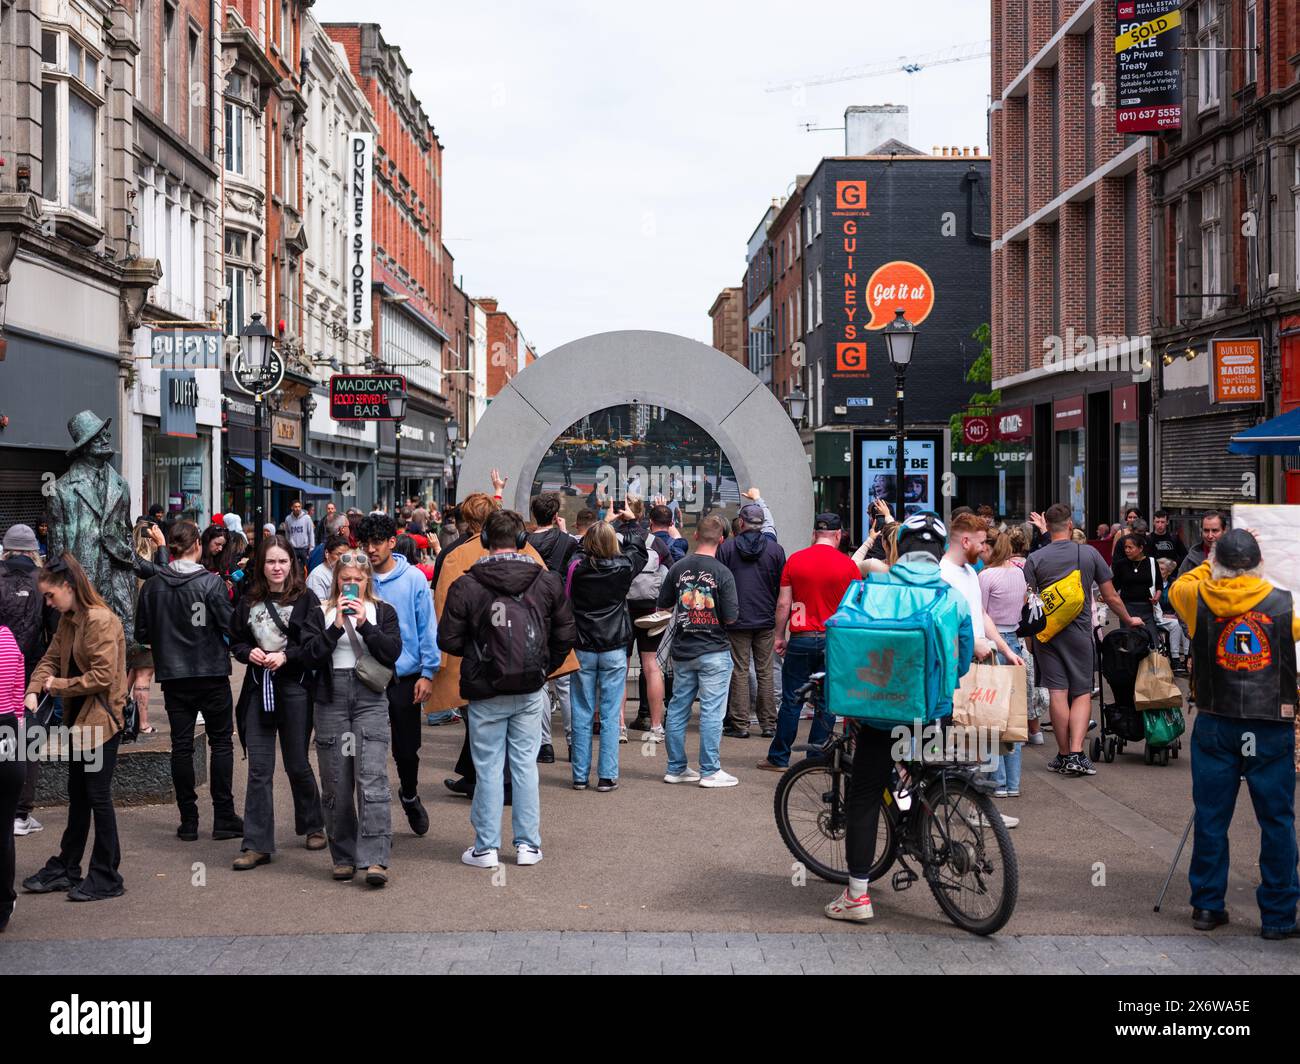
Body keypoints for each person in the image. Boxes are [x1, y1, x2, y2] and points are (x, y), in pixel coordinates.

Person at [825, 512, 976, 921]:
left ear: (900, 548)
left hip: (876, 715)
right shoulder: (952, 597)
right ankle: (921, 826)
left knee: (866, 794)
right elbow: (961, 662)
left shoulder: (867, 589)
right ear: (941, 551)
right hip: (929, 713)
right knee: (922, 773)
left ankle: (857, 896)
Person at [1169, 529, 1300, 939]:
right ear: (1260, 565)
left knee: (1211, 817)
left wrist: (1211, 560)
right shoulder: (1283, 605)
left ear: (1216, 564)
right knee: (1276, 821)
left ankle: (1207, 906)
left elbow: (1178, 587)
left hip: (1216, 718)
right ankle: (1278, 916)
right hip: (1270, 723)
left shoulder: (1198, 596)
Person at [438, 510, 577, 868]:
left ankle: (486, 847)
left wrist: (479, 652)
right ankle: (528, 845)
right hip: (531, 686)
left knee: (488, 767)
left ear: (484, 541)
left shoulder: (467, 584)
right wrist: (544, 664)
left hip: (485, 688)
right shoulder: (546, 581)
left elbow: (448, 639)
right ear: (521, 541)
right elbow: (565, 633)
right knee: (525, 766)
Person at [21, 554, 127, 901]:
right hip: (81, 721)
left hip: (101, 723)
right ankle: (68, 866)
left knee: (96, 796)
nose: (47, 602)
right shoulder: (69, 619)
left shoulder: (99, 620)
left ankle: (107, 874)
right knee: (80, 795)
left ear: (68, 587)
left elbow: (103, 676)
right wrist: (34, 688)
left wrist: (55, 685)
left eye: (51, 595)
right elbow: (50, 658)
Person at [134, 520, 243, 841]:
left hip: (175, 677)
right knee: (221, 742)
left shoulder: (154, 586)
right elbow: (231, 626)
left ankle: (189, 819)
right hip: (210, 673)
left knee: (181, 747)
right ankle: (223, 815)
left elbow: (142, 633)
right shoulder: (210, 585)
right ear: (197, 545)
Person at [227, 535, 326, 870]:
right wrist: (247, 652)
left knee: (297, 762)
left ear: (292, 564)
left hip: (295, 687)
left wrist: (287, 656)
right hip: (258, 688)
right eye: (271, 561)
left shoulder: (306, 598)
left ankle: (313, 823)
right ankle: (256, 844)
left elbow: (314, 646)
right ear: (261, 565)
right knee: (258, 768)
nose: (277, 567)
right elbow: (236, 639)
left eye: (283, 561)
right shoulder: (248, 598)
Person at [1024, 503, 1145, 777]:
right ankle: (1078, 754)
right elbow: (1111, 596)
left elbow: (1029, 601)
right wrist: (1128, 619)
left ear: (1048, 528)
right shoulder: (1088, 553)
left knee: (1057, 692)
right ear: (1070, 525)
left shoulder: (1035, 559)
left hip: (1048, 634)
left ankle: (1063, 754)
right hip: (1079, 633)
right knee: (1080, 692)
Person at [307, 549, 403, 886]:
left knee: (372, 776)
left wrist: (364, 623)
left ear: (367, 582)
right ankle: (344, 856)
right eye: (345, 580)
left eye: (357, 581)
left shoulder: (383, 611)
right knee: (337, 780)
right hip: (331, 695)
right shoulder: (320, 611)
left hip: (369, 696)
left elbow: (393, 653)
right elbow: (310, 655)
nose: (351, 585)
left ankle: (375, 859)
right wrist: (334, 628)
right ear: (336, 581)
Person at [758, 514, 860, 772]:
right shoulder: (848, 566)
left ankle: (779, 757)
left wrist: (780, 636)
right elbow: (856, 608)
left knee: (792, 700)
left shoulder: (795, 560)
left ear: (814, 534)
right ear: (838, 536)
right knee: (827, 701)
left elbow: (783, 604)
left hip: (801, 638)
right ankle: (817, 756)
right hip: (833, 641)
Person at [358, 513, 440, 835]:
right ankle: (376, 819)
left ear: (392, 542)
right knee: (369, 749)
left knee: (406, 750)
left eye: (377, 542)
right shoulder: (359, 577)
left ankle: (409, 794)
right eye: (365, 543)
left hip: (405, 676)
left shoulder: (414, 580)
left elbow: (427, 628)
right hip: (366, 675)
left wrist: (428, 672)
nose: (370, 549)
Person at [566, 512, 649, 791]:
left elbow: (578, 550)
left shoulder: (577, 567)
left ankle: (579, 775)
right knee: (612, 711)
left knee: (582, 710)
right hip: (614, 645)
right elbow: (639, 548)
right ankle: (606, 775)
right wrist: (629, 525)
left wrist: (600, 529)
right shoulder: (623, 566)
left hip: (584, 645)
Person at [658, 514, 741, 787]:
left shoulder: (678, 568)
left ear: (695, 536)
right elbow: (731, 617)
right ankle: (709, 770)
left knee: (678, 708)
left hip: (683, 650)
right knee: (711, 711)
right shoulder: (723, 573)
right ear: (722, 540)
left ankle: (676, 767)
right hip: (714, 649)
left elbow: (663, 607)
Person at [1, 525, 57, 836]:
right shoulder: (43, 581)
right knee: (29, 737)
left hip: (1, 666)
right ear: (33, 549)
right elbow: (54, 629)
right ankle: (20, 812)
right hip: (32, 671)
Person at [718, 500, 785, 740]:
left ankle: (740, 723)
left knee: (739, 670)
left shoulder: (727, 548)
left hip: (736, 619)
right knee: (765, 670)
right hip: (765, 618)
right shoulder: (775, 551)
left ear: (742, 522)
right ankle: (769, 723)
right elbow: (780, 587)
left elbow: (720, 585)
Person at [979, 525, 1029, 800]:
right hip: (1015, 642)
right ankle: (1013, 781)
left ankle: (996, 780)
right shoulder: (1020, 575)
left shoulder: (986, 577)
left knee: (991, 716)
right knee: (1013, 715)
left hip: (993, 644)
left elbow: (981, 613)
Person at [526, 493, 576, 759]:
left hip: (533, 612)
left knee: (541, 683)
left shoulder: (525, 542)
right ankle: (572, 741)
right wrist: (565, 532)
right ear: (556, 514)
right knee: (566, 683)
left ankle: (545, 744)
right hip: (561, 610)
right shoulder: (567, 542)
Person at [0, 622, 24, 930]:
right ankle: (3, 903)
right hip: (7, 735)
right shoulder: (6, 636)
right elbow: (18, 689)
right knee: (3, 825)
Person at [1111, 532, 1162, 649]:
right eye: (1125, 547)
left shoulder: (1152, 563)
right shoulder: (1121, 564)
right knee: (1129, 644)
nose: (1127, 550)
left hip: (1147, 608)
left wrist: (1157, 595)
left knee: (1152, 642)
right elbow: (1115, 586)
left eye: (1130, 547)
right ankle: (1130, 667)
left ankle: (1150, 666)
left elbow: (1158, 584)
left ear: (1140, 548)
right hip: (1127, 608)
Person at [1154, 558, 1189, 674]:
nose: (1159, 571)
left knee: (1186, 623)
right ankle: (1175, 659)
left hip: (1172, 616)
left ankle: (1187, 656)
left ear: (1169, 572)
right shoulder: (1152, 583)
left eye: (1162, 569)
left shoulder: (1174, 583)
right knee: (1176, 624)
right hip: (1157, 616)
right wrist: (1165, 615)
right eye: (1158, 568)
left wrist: (1176, 614)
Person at [1177, 510, 1228, 578]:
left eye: (1215, 531)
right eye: (1206, 531)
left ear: (1224, 531)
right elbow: (1179, 586)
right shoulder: (1190, 560)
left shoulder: (1235, 558)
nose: (1210, 536)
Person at [308, 533, 350, 603]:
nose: (342, 559)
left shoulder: (343, 571)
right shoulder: (316, 576)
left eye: (345, 556)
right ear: (327, 553)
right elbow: (317, 605)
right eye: (338, 554)